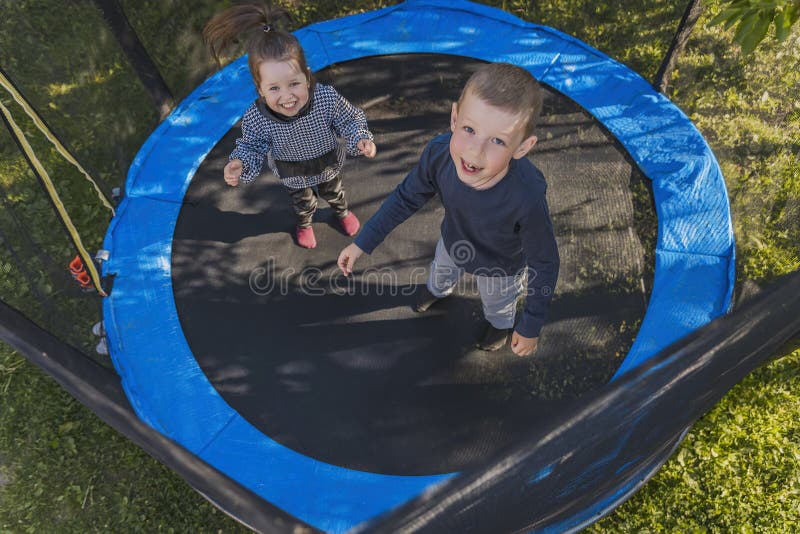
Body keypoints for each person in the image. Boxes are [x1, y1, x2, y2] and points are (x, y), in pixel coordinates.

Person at [337, 63, 559, 356]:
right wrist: (364, 241)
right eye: (469, 129)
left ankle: (500, 325)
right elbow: (405, 198)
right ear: (454, 118)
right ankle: (438, 291)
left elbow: (545, 262)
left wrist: (530, 324)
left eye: (497, 141)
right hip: (453, 242)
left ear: (521, 148)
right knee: (440, 274)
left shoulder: (526, 197)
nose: (474, 152)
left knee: (498, 304)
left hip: (501, 267)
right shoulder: (440, 154)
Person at [203, 3, 377, 249]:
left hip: (325, 159)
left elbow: (348, 119)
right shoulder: (258, 117)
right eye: (274, 88)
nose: (287, 97)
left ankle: (341, 211)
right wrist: (240, 163)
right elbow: (252, 145)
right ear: (259, 89)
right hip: (292, 169)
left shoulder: (325, 98)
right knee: (303, 202)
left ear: (306, 77)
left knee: (334, 191)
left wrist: (359, 137)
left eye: (294, 84)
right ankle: (304, 223)